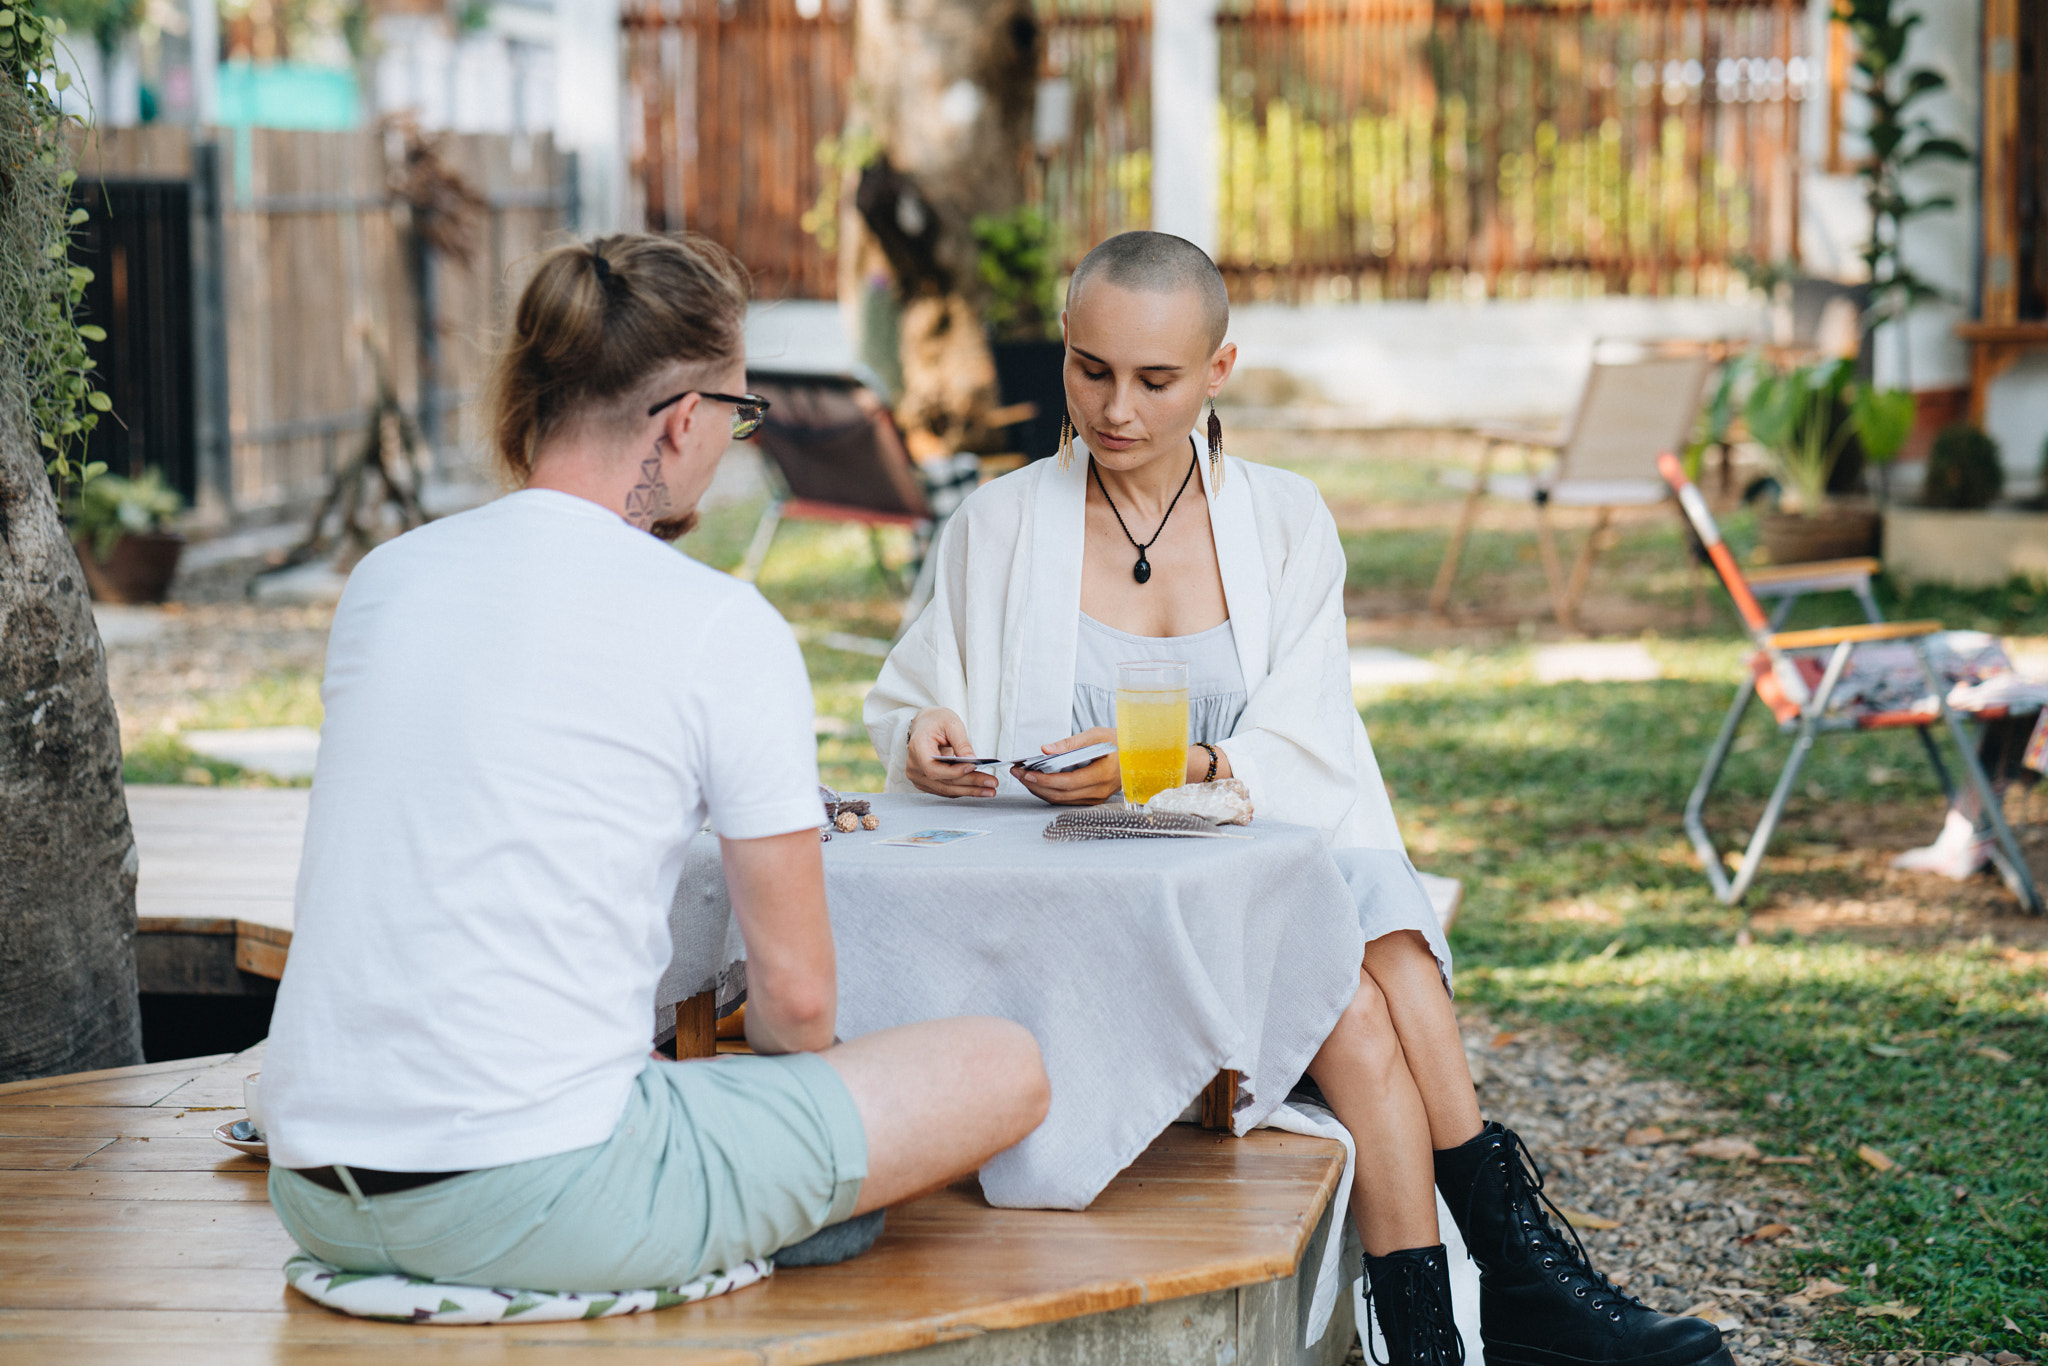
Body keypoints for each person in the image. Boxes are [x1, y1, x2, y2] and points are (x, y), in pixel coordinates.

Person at [865, 231, 1729, 1366]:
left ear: (1218, 371)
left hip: (1247, 886)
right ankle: (1517, 1275)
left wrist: (1186, 767)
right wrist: (926, 737)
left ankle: (1441, 1334)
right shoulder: (999, 524)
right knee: (1358, 965)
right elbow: (917, 706)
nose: (1114, 407)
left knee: (1352, 949)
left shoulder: (1281, 522)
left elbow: (1313, 744)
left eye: (1155, 379)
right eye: (1089, 370)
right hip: (1090, 907)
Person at [261, 233, 1049, 1296]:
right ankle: (774, 1208)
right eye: (736, 413)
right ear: (682, 418)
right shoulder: (717, 623)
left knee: (695, 1090)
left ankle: (752, 1187)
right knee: (1003, 1064)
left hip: (316, 1181)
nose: (728, 443)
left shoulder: (385, 583)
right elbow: (799, 1005)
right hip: (535, 1196)